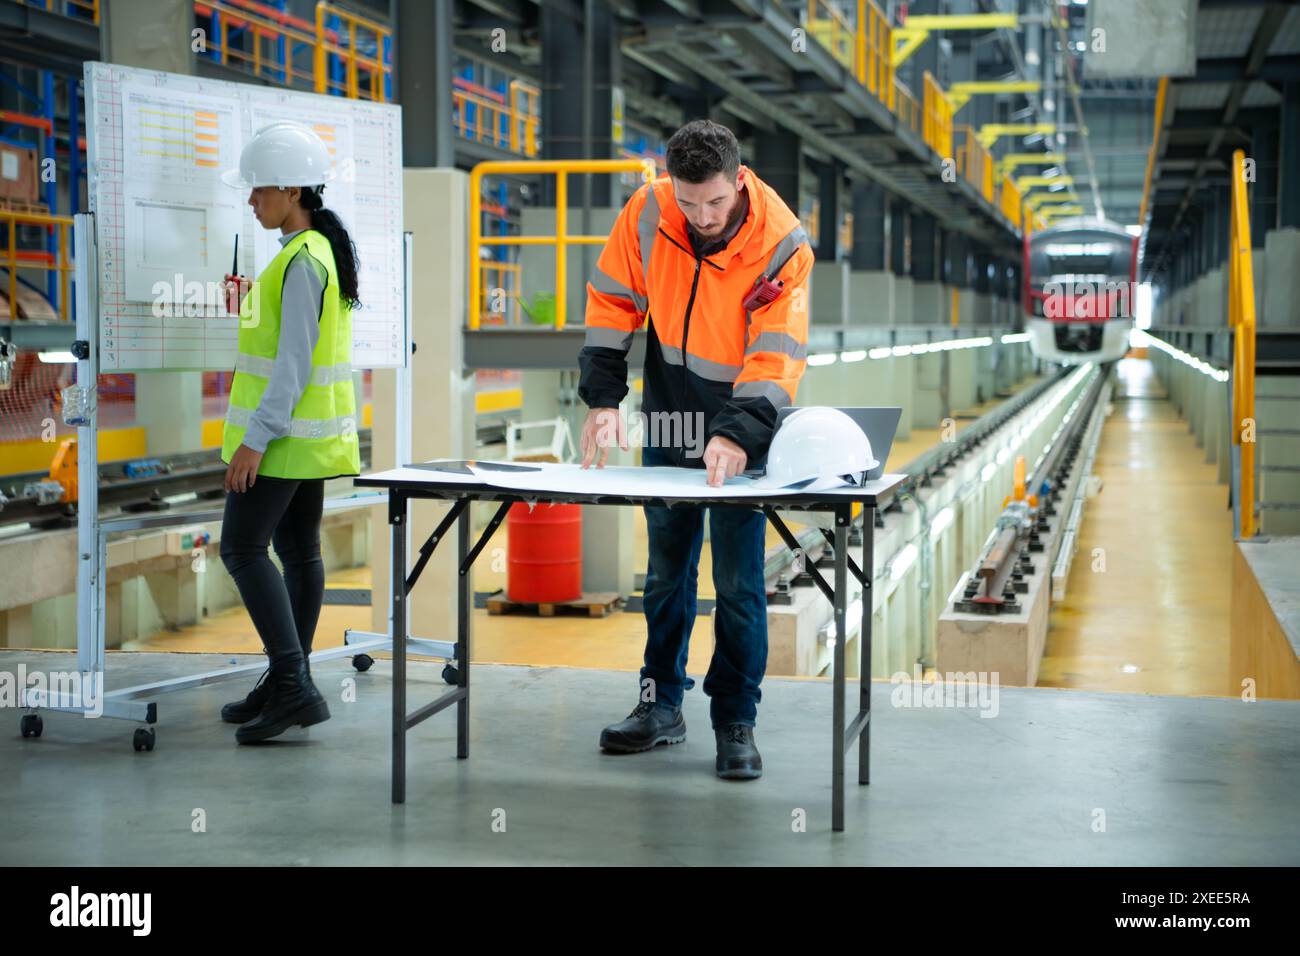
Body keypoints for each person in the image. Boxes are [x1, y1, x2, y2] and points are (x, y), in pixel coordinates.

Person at [577, 119, 813, 779]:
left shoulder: (782, 242)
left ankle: (736, 720)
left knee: (738, 584)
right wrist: (602, 399)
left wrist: (737, 434)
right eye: (689, 203)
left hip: (743, 424)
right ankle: (659, 707)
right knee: (664, 575)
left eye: (714, 201)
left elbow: (776, 353)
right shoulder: (648, 211)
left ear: (738, 180)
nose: (702, 217)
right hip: (671, 415)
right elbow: (612, 300)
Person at [216, 121, 362, 745]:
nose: (251, 202)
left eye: (258, 191)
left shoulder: (302, 259)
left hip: (278, 442)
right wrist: (250, 301)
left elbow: (293, 362)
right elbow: (288, 336)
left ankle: (294, 683)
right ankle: (286, 682)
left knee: (242, 550)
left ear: (292, 190)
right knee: (299, 554)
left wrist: (255, 437)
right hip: (307, 442)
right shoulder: (308, 253)